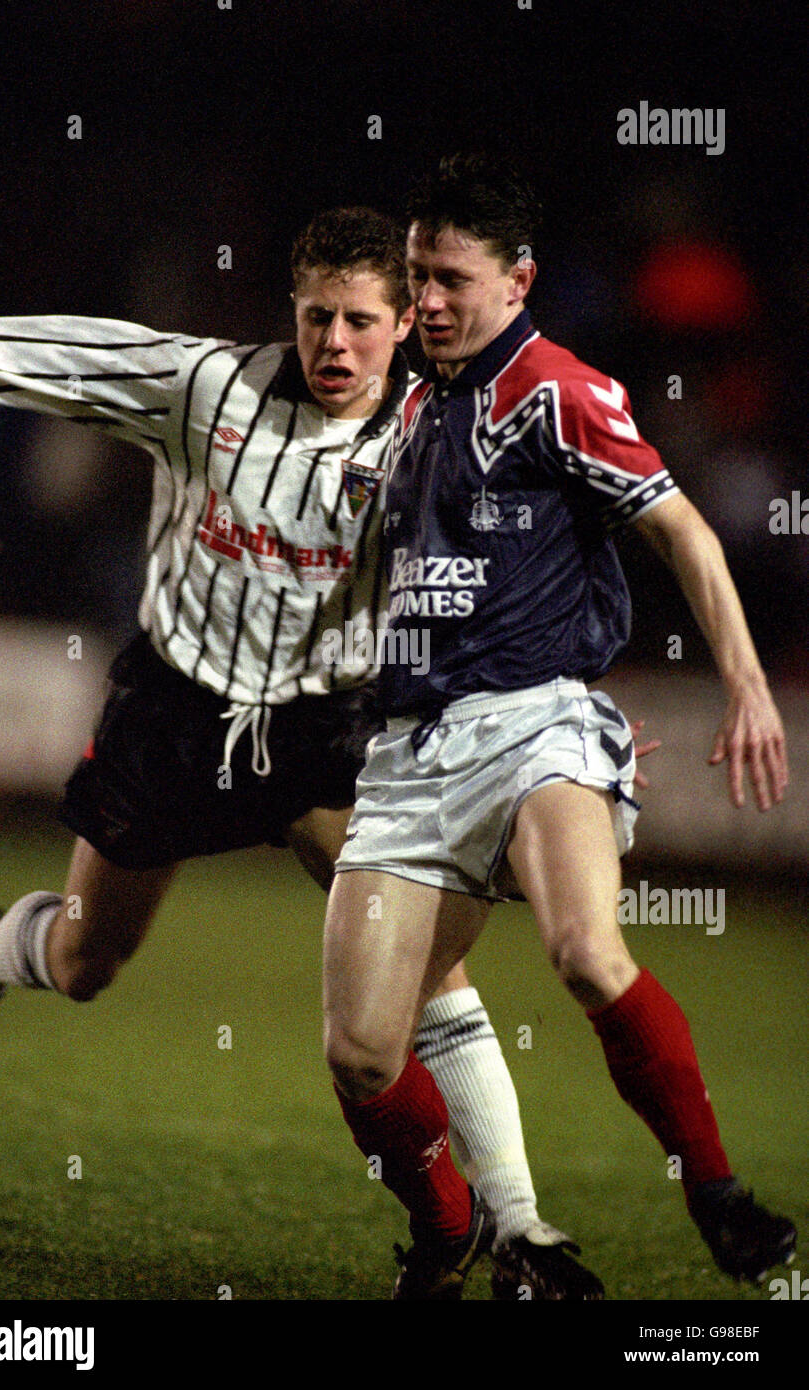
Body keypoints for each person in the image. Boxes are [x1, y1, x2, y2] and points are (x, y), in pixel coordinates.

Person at [0, 206, 623, 1298]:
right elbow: (47, 355)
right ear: (290, 311)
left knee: (421, 970)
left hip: (327, 727)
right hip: (176, 709)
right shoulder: (205, 389)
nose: (335, 344)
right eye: (316, 317)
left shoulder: (436, 431)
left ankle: (521, 1230)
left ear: (407, 322)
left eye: (361, 319)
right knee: (82, 961)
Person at [323, 156, 797, 1299]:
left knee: (584, 950)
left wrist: (742, 680)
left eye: (446, 278)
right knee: (360, 1052)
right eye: (415, 277)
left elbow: (684, 531)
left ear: (516, 278)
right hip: (409, 753)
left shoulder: (560, 390)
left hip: (538, 722)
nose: (423, 300)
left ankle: (716, 1194)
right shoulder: (411, 406)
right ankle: (459, 1233)